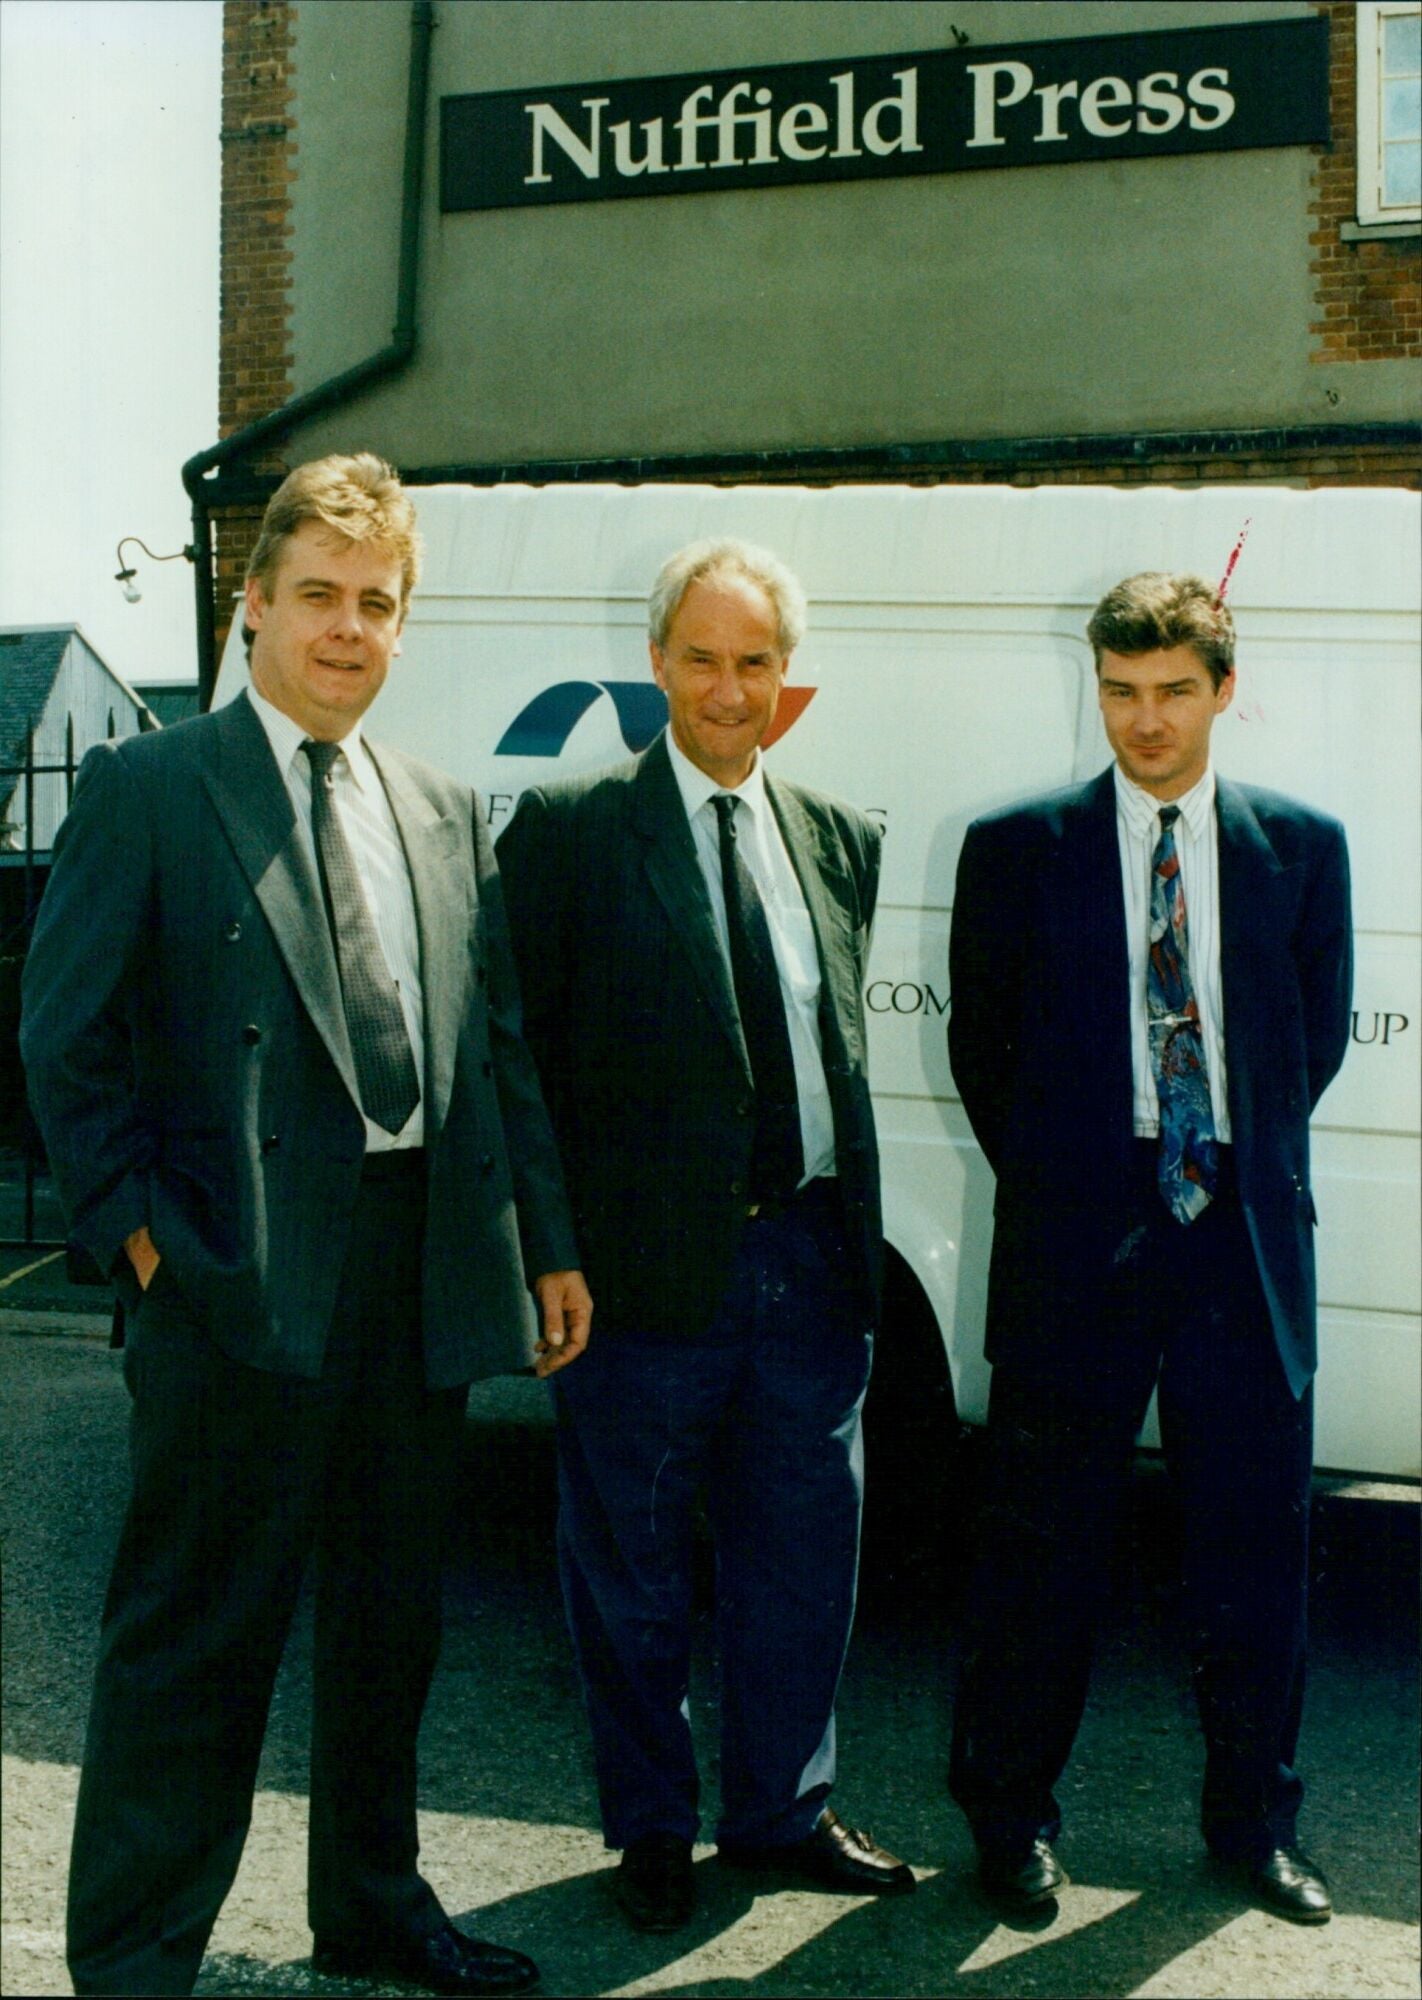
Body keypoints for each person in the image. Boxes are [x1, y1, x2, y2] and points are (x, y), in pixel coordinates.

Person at [22, 453, 592, 1998]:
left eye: (378, 604)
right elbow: (64, 1041)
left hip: (422, 1269)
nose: (349, 629)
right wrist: (147, 1245)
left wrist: (543, 1245)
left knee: (391, 1624)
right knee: (196, 1637)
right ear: (256, 606)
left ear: (403, 625)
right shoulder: (154, 787)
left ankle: (373, 1908)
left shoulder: (442, 809)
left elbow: (495, 1053)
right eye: (321, 597)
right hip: (237, 1272)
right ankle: (135, 1960)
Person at [495, 538, 914, 1933]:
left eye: (755, 662)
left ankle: (781, 1811)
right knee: (632, 1568)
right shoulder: (570, 827)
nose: (729, 690)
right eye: (702, 658)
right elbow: (516, 1061)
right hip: (639, 1281)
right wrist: (549, 1251)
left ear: (786, 674)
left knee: (803, 1561)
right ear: (656, 660)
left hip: (811, 1264)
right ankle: (653, 1829)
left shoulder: (838, 836)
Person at [946, 571, 1352, 1923]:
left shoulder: (1303, 847)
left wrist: (1210, 1160)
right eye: (1120, 691)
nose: (1146, 720)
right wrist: (1082, 1186)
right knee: (1042, 1552)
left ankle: (1254, 1829)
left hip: (1241, 1238)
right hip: (1083, 1232)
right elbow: (984, 1047)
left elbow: (1310, 1044)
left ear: (1223, 690)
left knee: (1253, 1557)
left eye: (1174, 690)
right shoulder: (1018, 847)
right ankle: (1009, 1822)